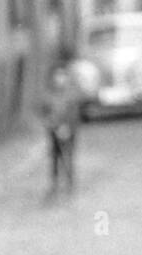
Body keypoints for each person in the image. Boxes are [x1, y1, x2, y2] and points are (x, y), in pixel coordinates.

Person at [39, 64, 81, 198]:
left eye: (62, 75)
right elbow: (44, 113)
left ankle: (70, 183)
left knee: (68, 157)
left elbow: (74, 113)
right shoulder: (48, 94)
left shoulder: (71, 94)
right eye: (57, 76)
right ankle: (54, 184)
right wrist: (52, 126)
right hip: (54, 131)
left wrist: (67, 127)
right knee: (55, 159)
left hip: (69, 130)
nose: (59, 79)